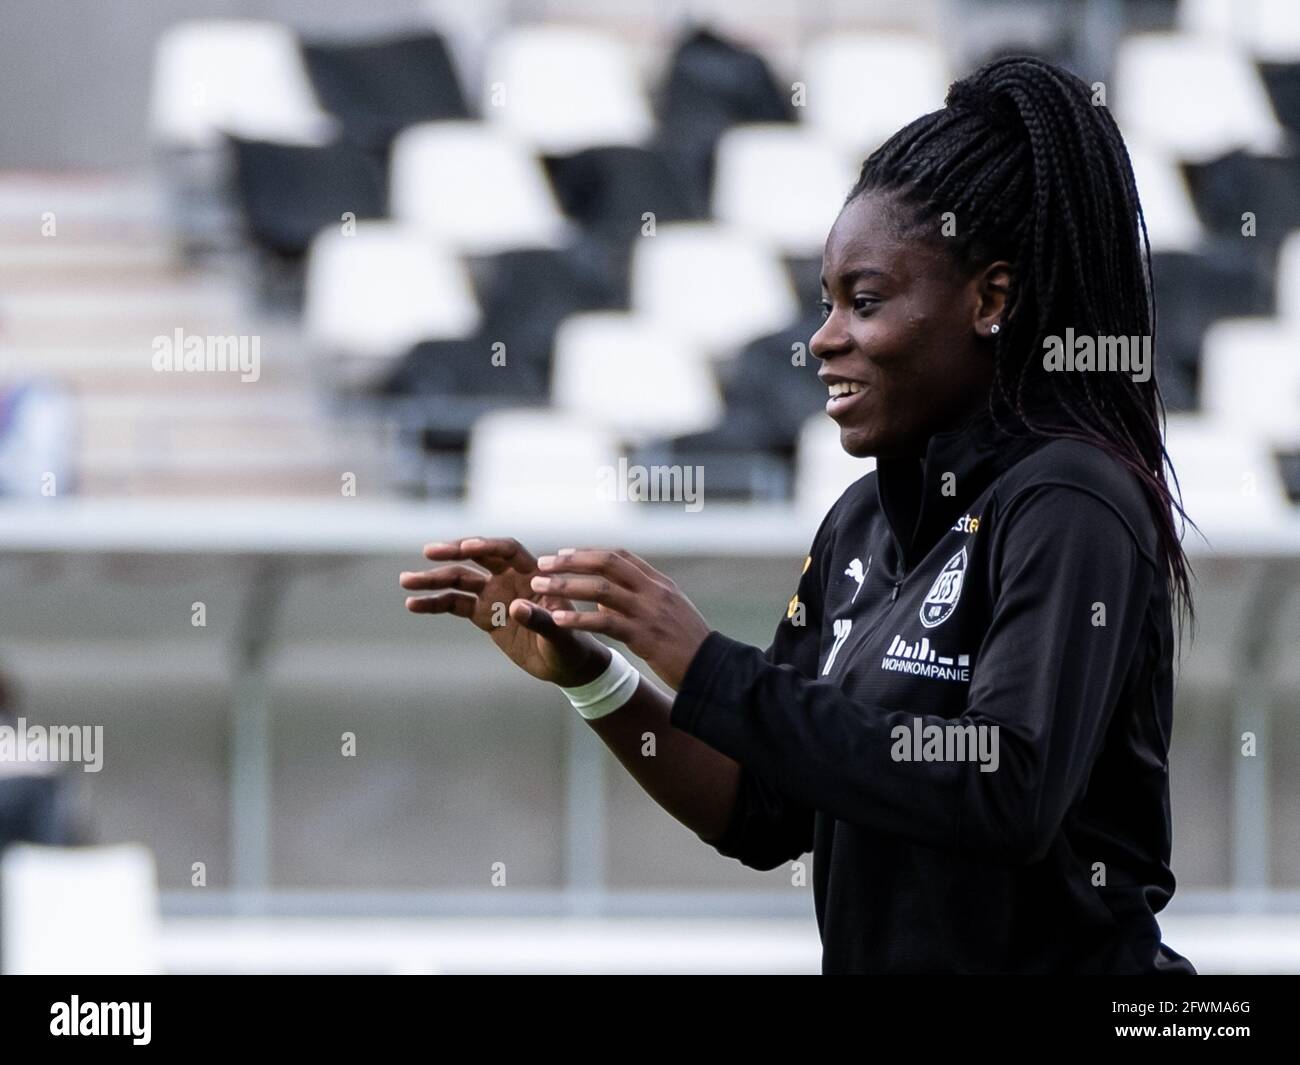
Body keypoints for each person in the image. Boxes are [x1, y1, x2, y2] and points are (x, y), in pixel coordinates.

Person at [400, 55, 1196, 974]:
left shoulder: (1070, 499)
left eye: (865, 301)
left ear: (991, 300)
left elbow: (1006, 784)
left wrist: (705, 662)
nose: (823, 338)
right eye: (827, 304)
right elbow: (760, 806)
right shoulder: (862, 523)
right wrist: (595, 675)